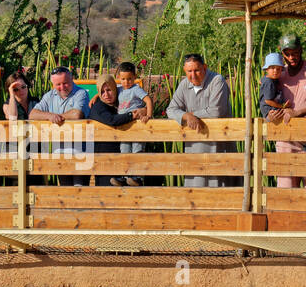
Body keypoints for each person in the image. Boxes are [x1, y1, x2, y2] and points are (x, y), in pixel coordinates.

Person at [267, 34, 306, 189]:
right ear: (282, 54)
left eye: (294, 52)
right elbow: (267, 99)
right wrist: (270, 114)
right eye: (287, 54)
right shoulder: (279, 74)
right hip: (285, 137)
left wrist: (298, 112)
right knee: (286, 189)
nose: (291, 57)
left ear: (301, 50)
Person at [165, 53, 234, 188]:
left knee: (219, 184)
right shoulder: (184, 84)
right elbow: (171, 110)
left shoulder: (217, 81)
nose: (193, 75)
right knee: (195, 182)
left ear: (204, 67)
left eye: (196, 70)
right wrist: (186, 116)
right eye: (189, 71)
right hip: (194, 145)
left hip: (218, 143)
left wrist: (193, 114)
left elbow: (216, 112)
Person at [30, 65, 92, 186]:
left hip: (81, 152)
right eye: (58, 84)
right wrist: (49, 116)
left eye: (65, 83)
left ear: (72, 79)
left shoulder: (81, 93)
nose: (62, 87)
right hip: (59, 151)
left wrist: (56, 117)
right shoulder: (49, 96)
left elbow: (77, 114)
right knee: (64, 190)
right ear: (52, 84)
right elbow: (32, 114)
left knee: (80, 190)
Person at [89, 74, 149, 187]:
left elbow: (138, 102)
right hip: (105, 161)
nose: (106, 95)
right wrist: (133, 115)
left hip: (125, 157)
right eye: (102, 92)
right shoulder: (98, 107)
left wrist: (144, 109)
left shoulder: (120, 102)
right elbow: (112, 120)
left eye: (109, 90)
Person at [115, 61, 153, 158]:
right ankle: (126, 173)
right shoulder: (119, 89)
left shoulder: (136, 89)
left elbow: (148, 100)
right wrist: (95, 97)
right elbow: (104, 92)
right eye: (123, 79)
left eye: (129, 79)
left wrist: (148, 115)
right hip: (124, 126)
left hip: (136, 124)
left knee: (137, 150)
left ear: (134, 77)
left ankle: (138, 173)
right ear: (119, 77)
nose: (126, 82)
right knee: (124, 151)